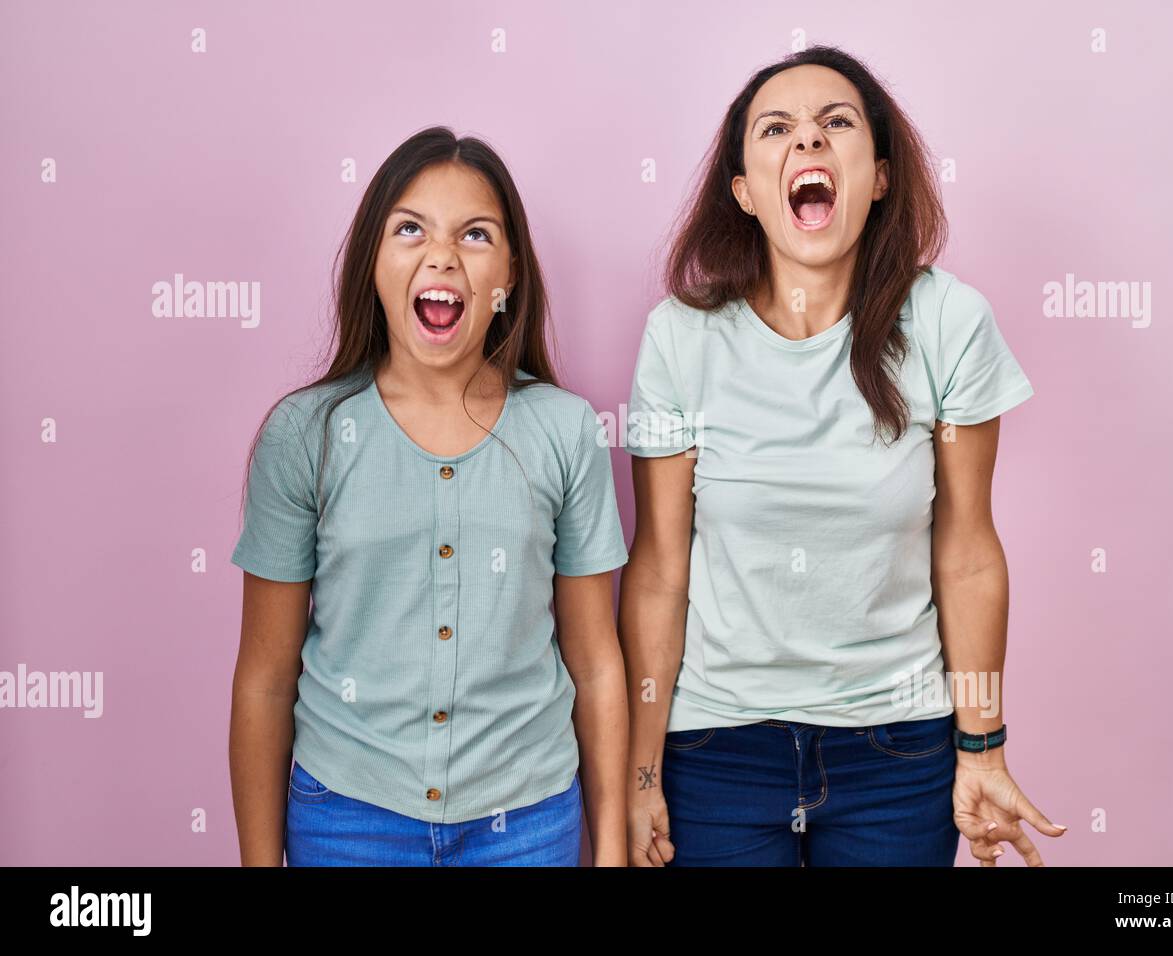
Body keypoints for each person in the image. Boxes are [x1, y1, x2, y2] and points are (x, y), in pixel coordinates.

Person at [620, 46, 1065, 866]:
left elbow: (966, 553)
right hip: (717, 751)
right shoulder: (681, 337)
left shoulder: (947, 323)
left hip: (897, 756)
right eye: (778, 129)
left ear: (882, 176)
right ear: (746, 191)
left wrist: (983, 746)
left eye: (837, 124)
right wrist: (641, 775)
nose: (809, 144)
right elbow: (658, 570)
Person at [229, 126, 629, 866]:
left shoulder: (567, 430)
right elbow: (264, 674)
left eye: (475, 235)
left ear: (510, 273)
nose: (441, 254)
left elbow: (595, 657)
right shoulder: (304, 434)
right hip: (347, 817)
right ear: (373, 265)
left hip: (528, 820)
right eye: (409, 228)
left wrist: (608, 846)